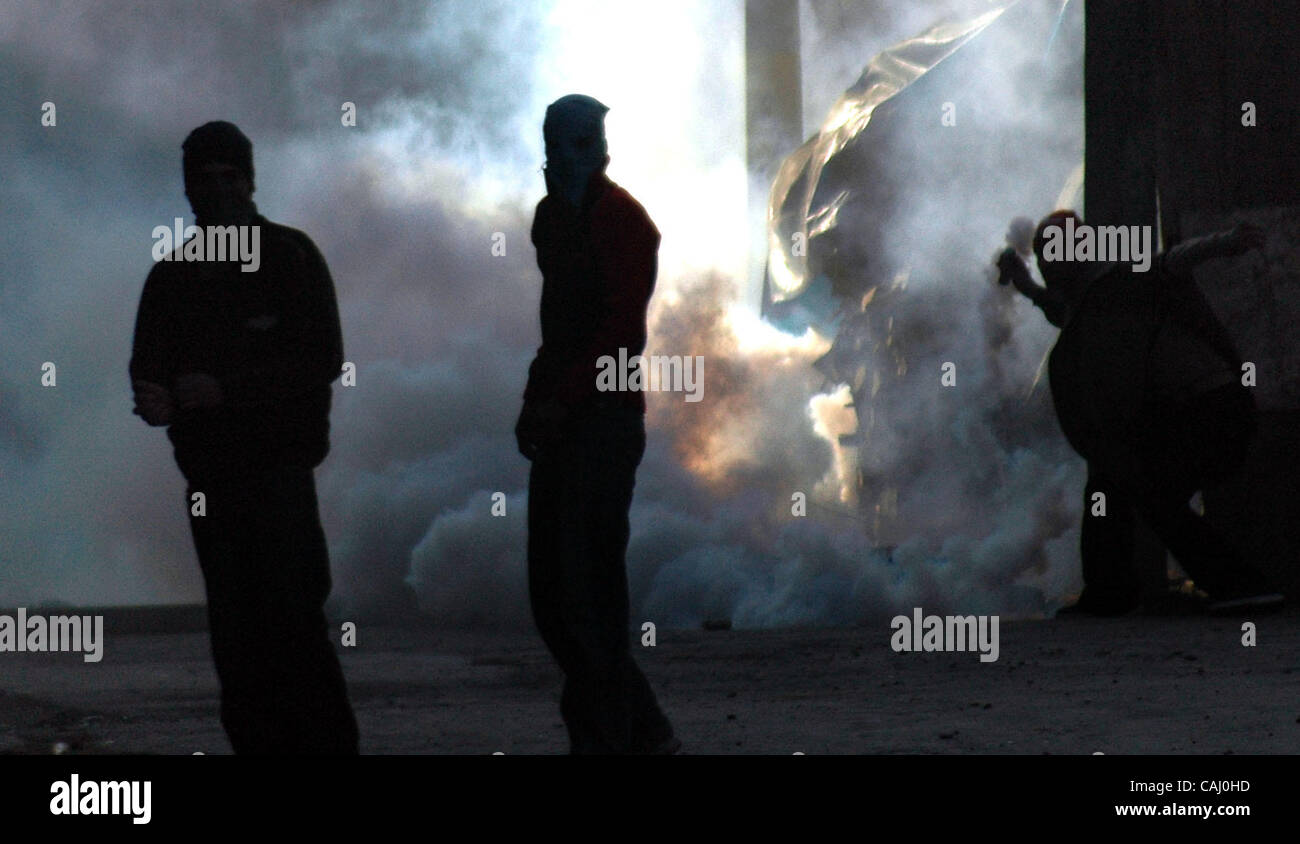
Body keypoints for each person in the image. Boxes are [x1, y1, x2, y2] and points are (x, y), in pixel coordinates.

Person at [130, 121, 358, 753]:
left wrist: (227, 389)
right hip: (212, 489)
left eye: (228, 177)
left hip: (281, 479)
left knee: (296, 637)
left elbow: (322, 357)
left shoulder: (291, 257)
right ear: (188, 192)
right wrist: (156, 398)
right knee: (238, 649)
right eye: (202, 181)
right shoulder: (174, 278)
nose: (217, 192)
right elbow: (147, 364)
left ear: (251, 181)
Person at [998, 210, 1281, 614]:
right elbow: (1061, 309)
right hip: (1181, 417)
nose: (1049, 267)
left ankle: (1241, 587)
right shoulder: (1091, 305)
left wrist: (1226, 241)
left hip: (1209, 412)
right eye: (1044, 259)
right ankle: (1109, 593)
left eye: (1054, 256)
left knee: (1149, 490)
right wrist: (1024, 284)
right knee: (1111, 488)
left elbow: (1174, 260)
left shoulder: (1125, 282)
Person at [515, 94, 678, 754]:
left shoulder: (624, 222)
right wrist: (537, 399)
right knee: (558, 594)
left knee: (585, 593)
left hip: (604, 423)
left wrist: (559, 399)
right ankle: (639, 731)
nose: (565, 154)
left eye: (577, 141)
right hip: (566, 421)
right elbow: (558, 328)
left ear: (599, 147)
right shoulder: (553, 219)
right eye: (556, 140)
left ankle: (608, 738)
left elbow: (619, 333)